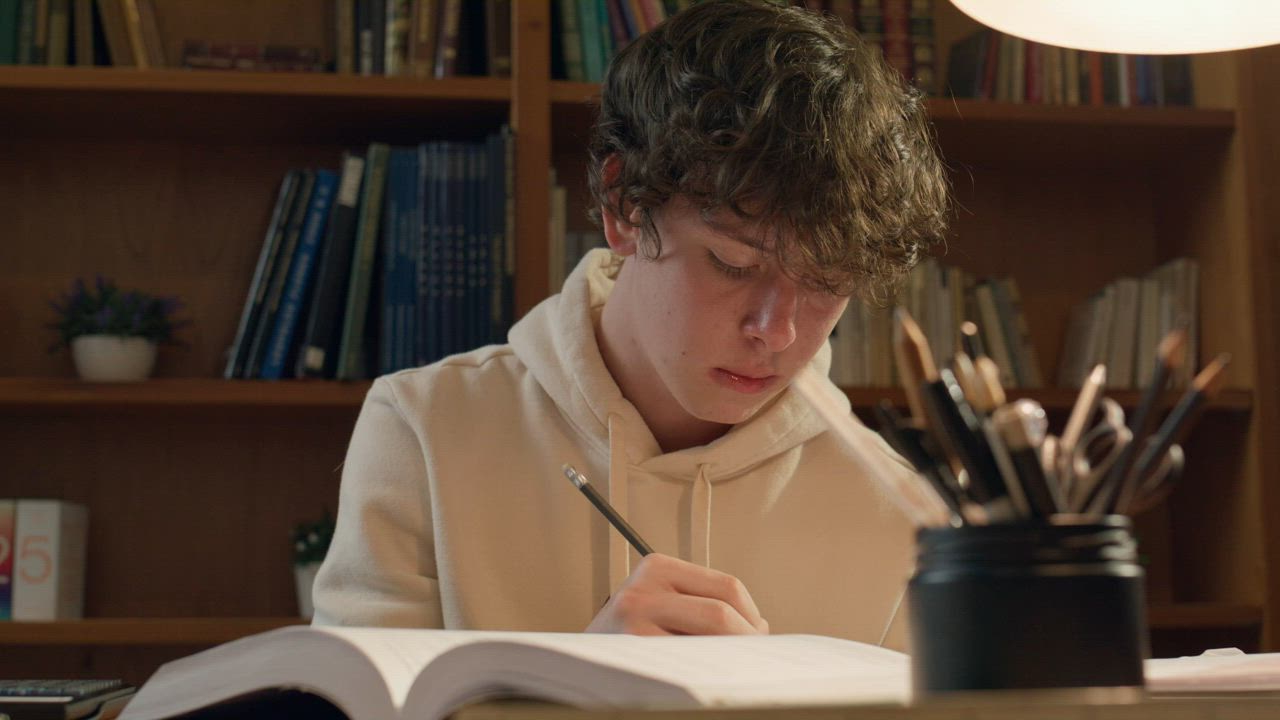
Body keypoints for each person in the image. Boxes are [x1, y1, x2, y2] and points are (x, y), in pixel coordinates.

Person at [312, 0, 949, 649]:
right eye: (733, 263)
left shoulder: (901, 511)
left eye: (826, 285)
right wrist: (571, 693)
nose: (777, 331)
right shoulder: (424, 429)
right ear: (623, 206)